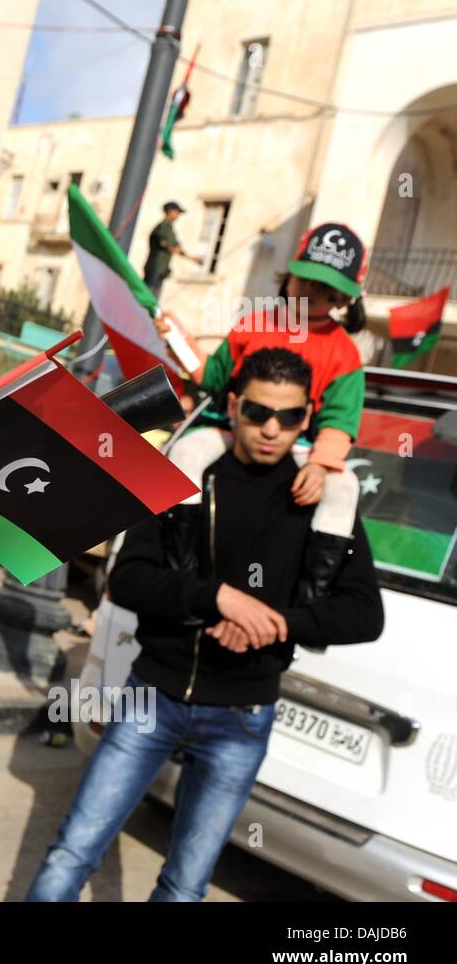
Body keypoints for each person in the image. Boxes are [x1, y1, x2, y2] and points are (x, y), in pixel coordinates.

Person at [27, 348, 384, 902]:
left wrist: (273, 622)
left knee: (186, 884)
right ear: (235, 405)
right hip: (155, 694)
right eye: (258, 412)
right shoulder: (189, 473)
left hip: (242, 717)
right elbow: (129, 579)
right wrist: (218, 599)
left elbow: (365, 614)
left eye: (288, 417)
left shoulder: (325, 499)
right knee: (73, 852)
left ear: (308, 418)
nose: (271, 429)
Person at [162, 222, 370, 602]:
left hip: (301, 442)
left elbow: (340, 421)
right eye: (304, 280)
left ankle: (313, 597)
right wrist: (180, 342)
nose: (309, 293)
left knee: (345, 486)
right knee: (186, 453)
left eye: (323, 290)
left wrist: (321, 466)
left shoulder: (345, 353)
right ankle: (181, 569)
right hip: (234, 427)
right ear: (288, 276)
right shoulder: (254, 322)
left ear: (341, 300)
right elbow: (213, 376)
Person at [144, 201, 202, 297]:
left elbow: (177, 247)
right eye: (177, 212)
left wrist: (192, 258)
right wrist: (171, 248)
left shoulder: (170, 229)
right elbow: (162, 242)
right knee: (147, 296)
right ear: (170, 211)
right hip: (155, 267)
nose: (178, 215)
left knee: (154, 298)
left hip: (162, 269)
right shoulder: (162, 227)